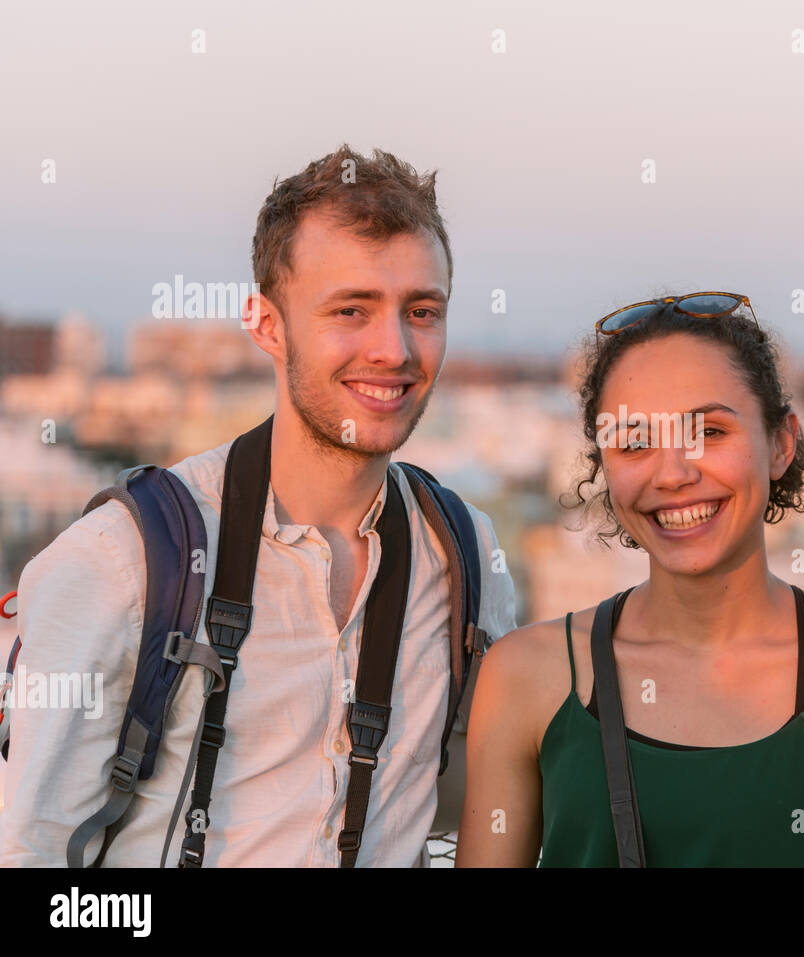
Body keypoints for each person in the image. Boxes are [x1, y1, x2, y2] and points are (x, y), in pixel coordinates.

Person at [0, 145, 516, 866]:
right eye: (351, 309)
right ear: (267, 326)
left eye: (421, 311)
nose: (394, 347)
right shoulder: (126, 559)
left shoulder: (465, 557)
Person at [456, 293, 804, 866]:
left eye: (710, 432)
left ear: (781, 443)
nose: (674, 473)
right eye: (635, 442)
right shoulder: (525, 674)